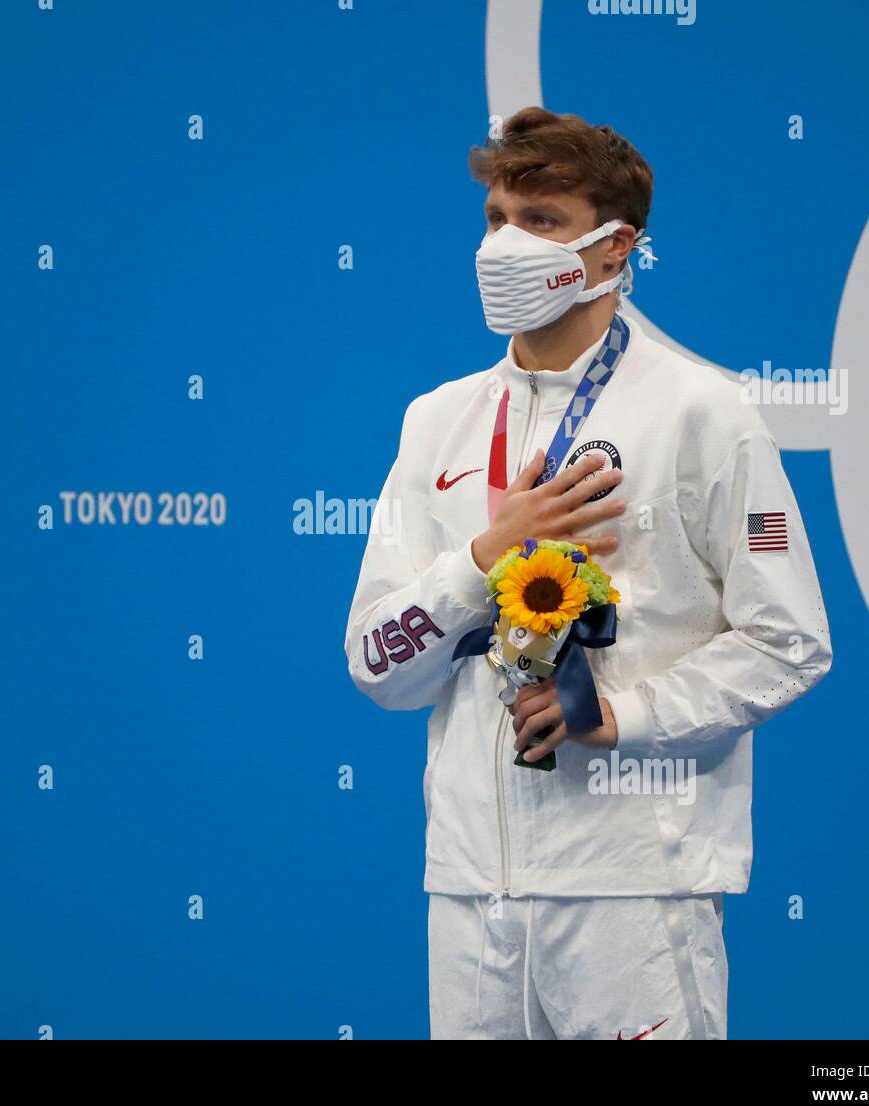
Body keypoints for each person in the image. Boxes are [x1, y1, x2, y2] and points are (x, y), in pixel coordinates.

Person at [343, 107, 833, 1039]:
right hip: (469, 890)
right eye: (495, 218)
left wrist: (625, 716)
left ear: (617, 250)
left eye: (543, 220)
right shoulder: (435, 420)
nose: (506, 245)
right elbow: (376, 663)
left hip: (633, 891)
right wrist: (484, 558)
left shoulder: (707, 413)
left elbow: (790, 640)